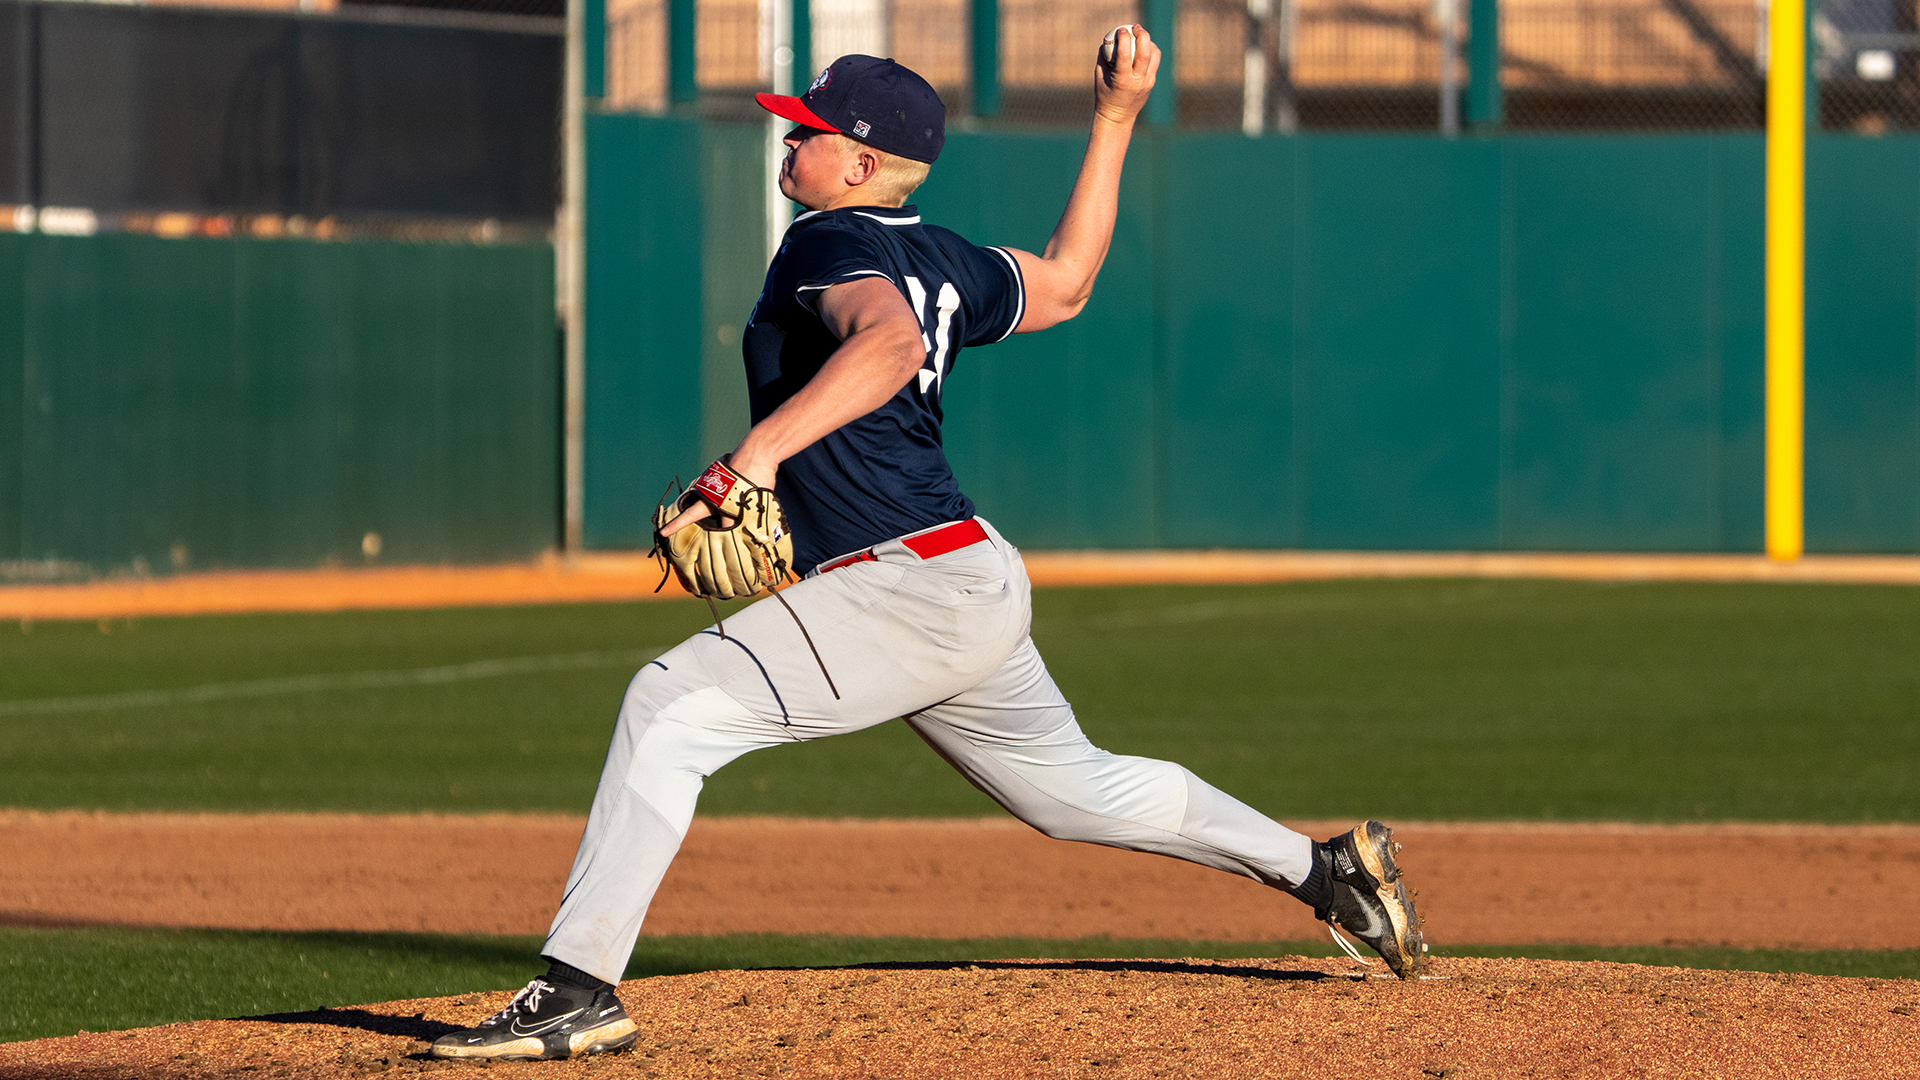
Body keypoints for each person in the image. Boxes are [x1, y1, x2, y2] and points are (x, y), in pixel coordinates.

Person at [430, 29, 1422, 1063]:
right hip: (965, 574)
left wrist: (749, 463)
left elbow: (893, 342)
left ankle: (576, 990)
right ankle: (1327, 873)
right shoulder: (943, 257)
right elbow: (1066, 284)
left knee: (665, 710)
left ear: (860, 165)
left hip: (905, 584)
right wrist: (1116, 118)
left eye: (807, 132)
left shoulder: (822, 242)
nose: (789, 143)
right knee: (1074, 790)